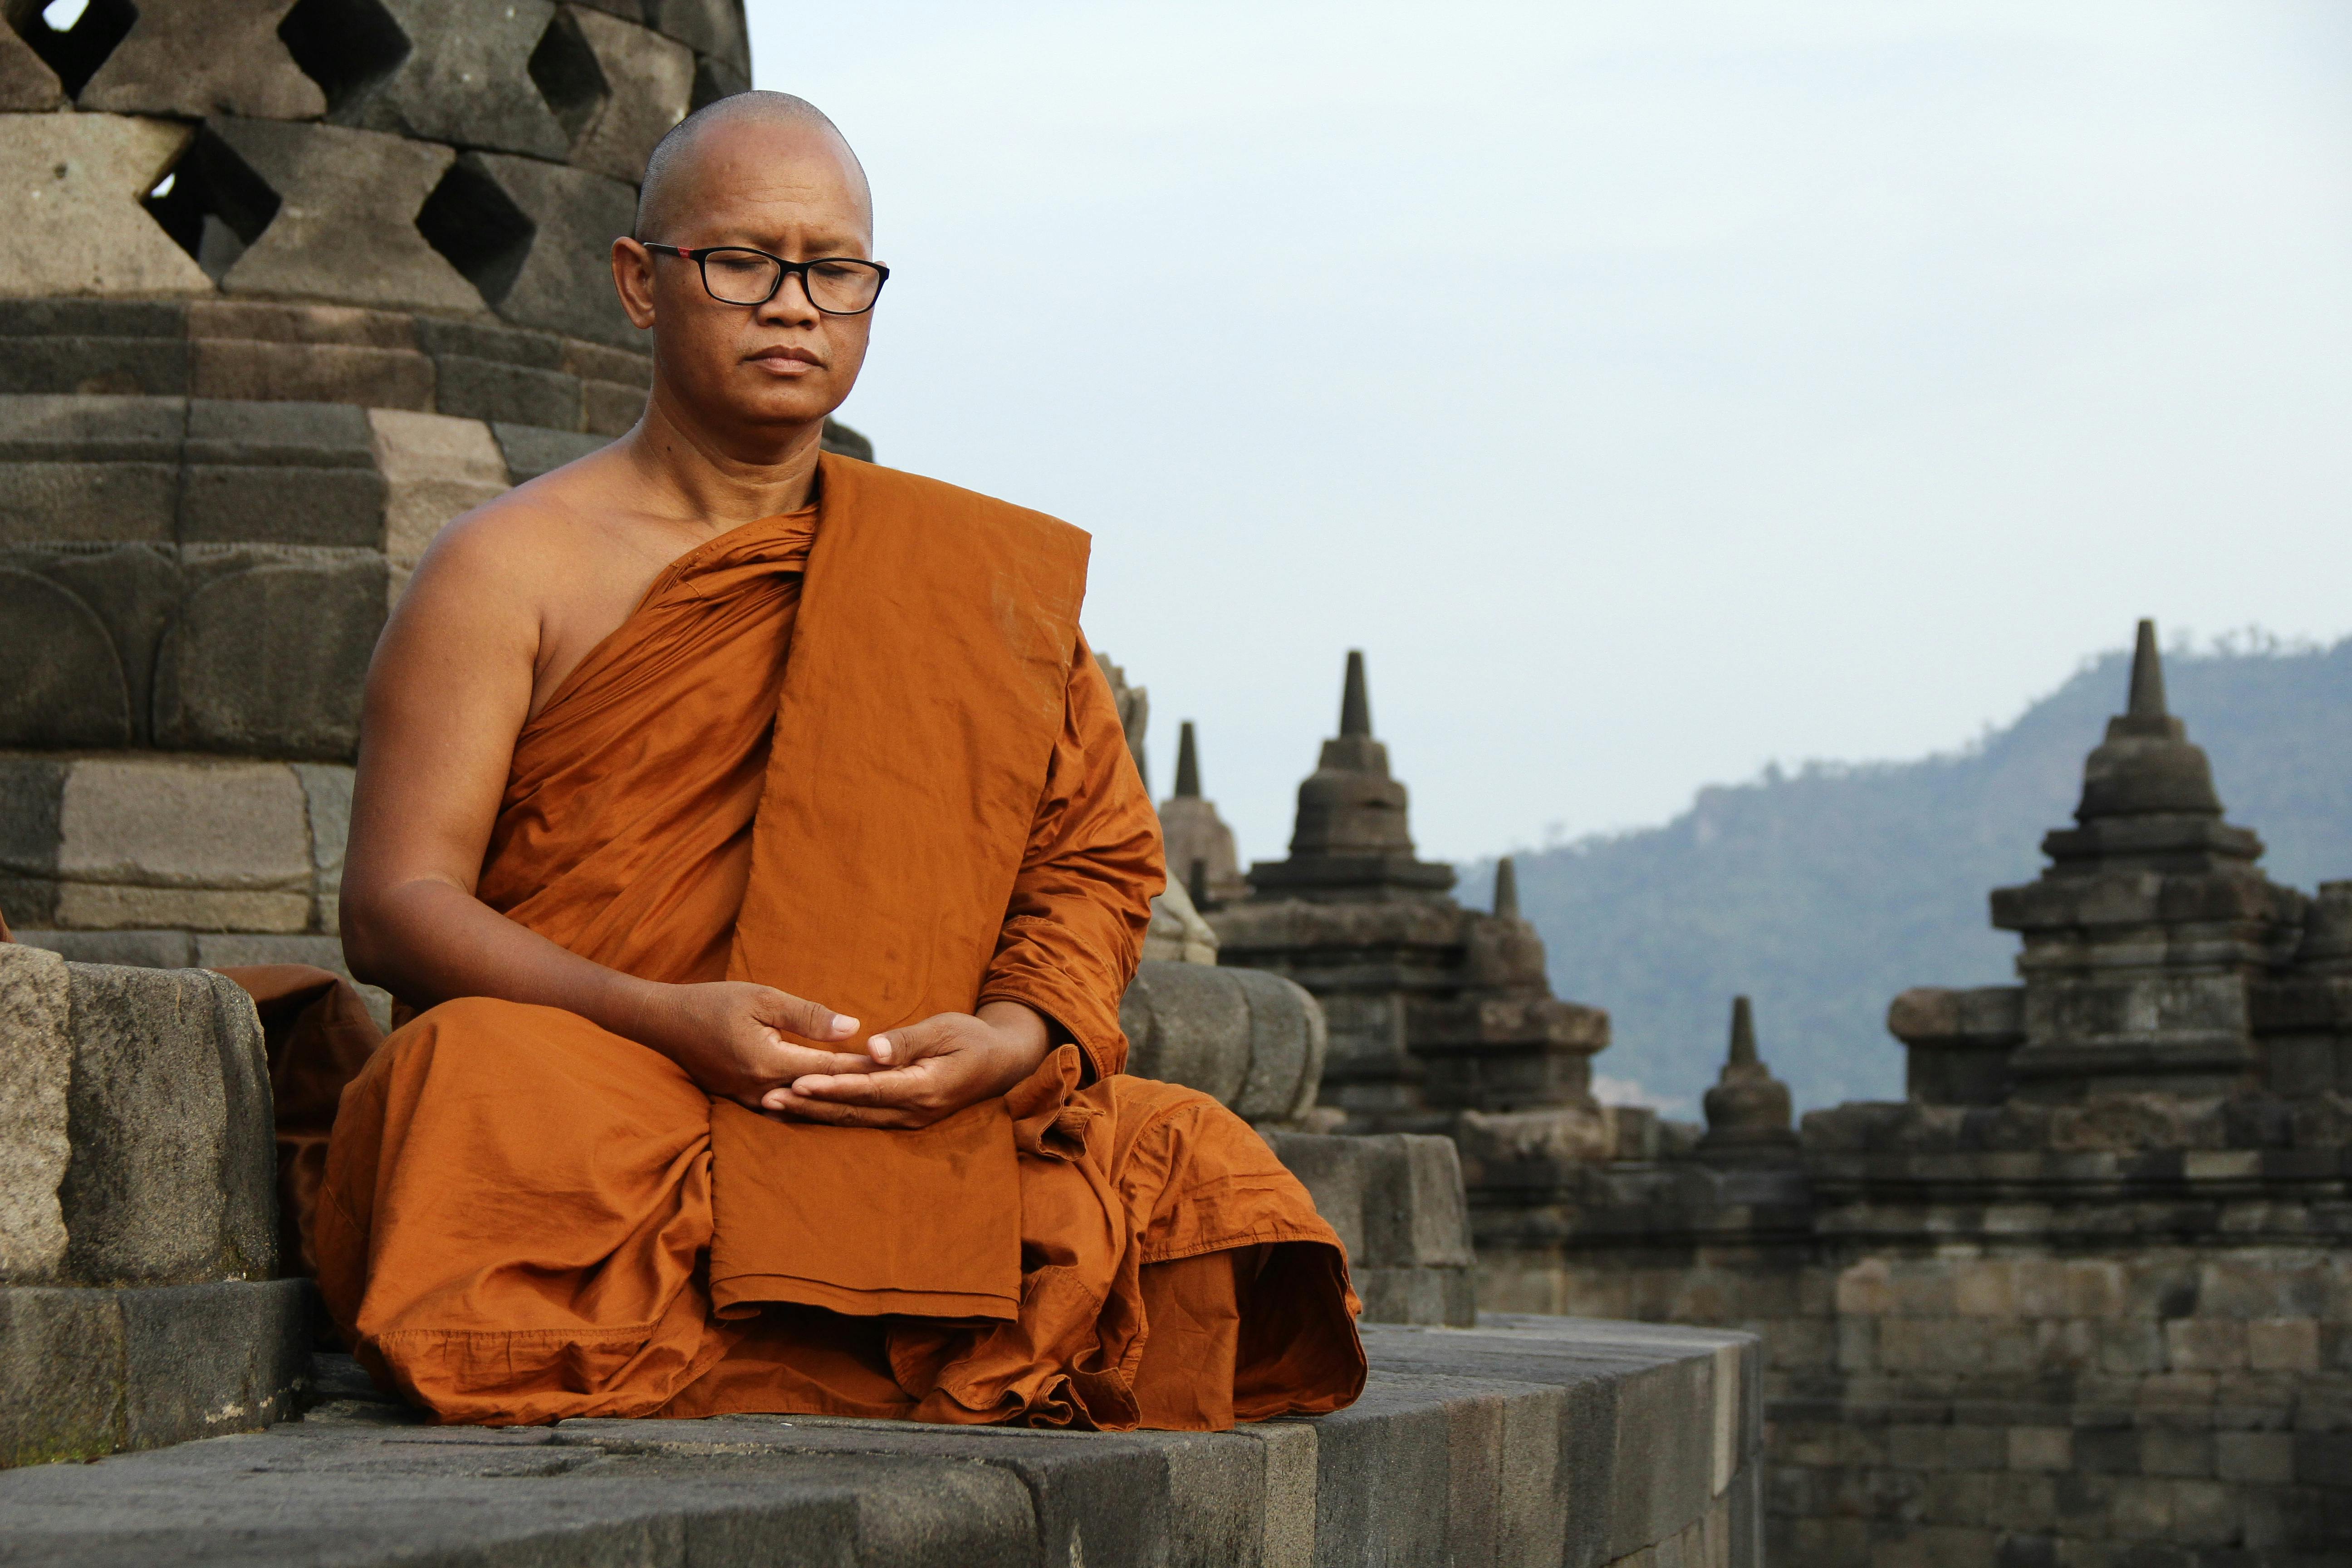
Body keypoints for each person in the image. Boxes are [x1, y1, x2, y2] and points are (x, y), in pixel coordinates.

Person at [289, 91, 1364, 1430]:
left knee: (1192, 1159)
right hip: (626, 1083)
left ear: (868, 296)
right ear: (642, 282)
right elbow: (398, 908)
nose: (793, 304)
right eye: (742, 261)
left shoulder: (977, 585)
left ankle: (807, 1318)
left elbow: (1090, 865)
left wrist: (1005, 1039)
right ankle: (874, 1332)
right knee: (461, 1094)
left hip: (904, 1104)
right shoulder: (510, 569)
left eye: (835, 271)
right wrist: (664, 1016)